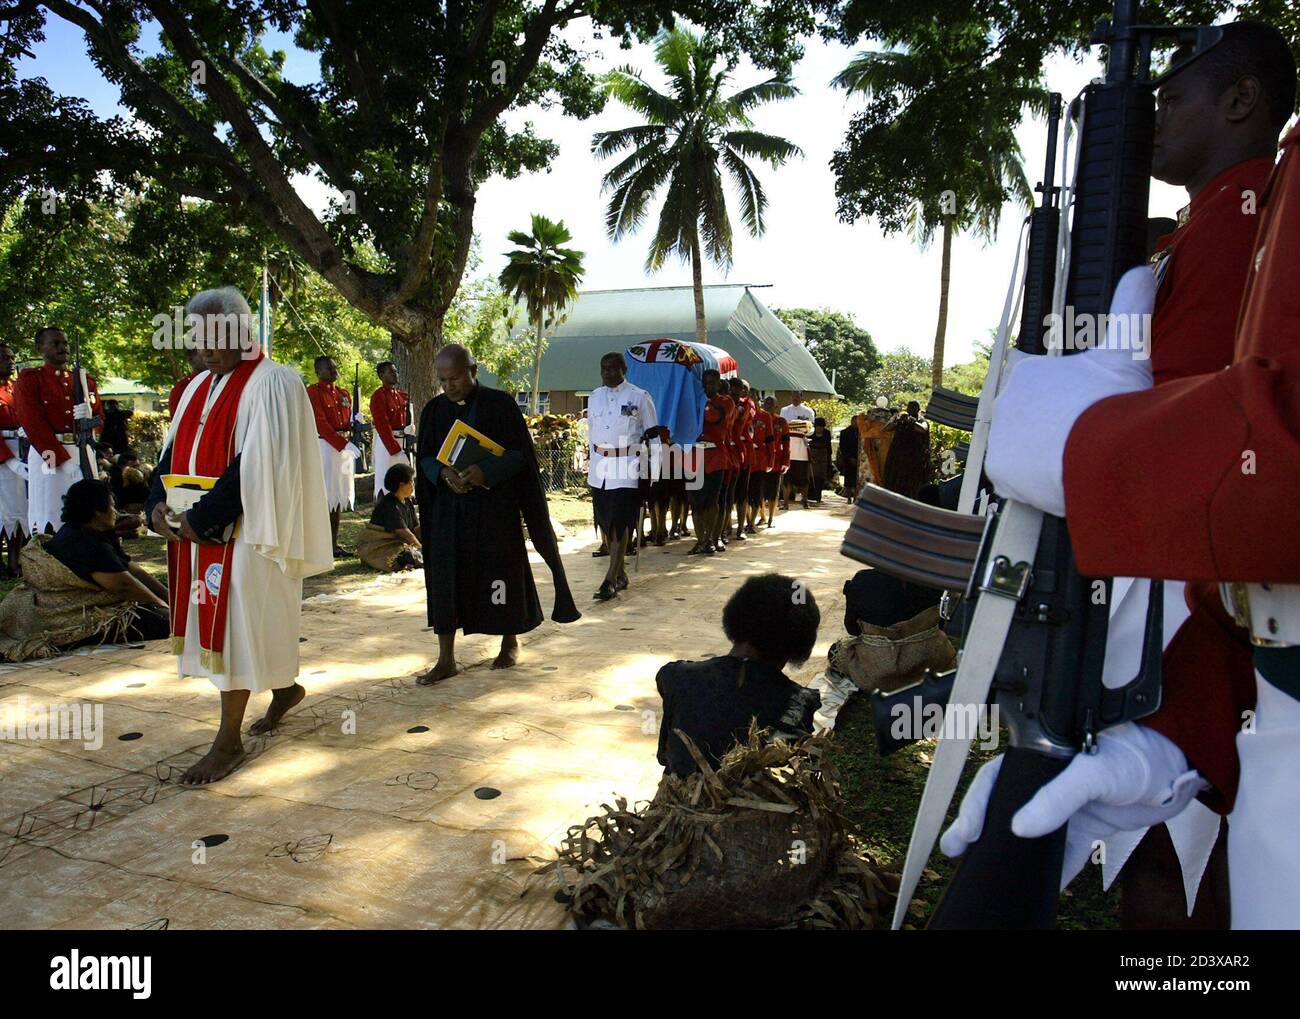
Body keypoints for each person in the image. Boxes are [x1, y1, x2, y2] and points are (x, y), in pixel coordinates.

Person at [950, 50, 1300, 929]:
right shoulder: (1225, 214)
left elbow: (1246, 430)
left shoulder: (1244, 214)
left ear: (1242, 98)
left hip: (1189, 569)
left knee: (1193, 876)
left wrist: (1090, 445)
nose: (1153, 118)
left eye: (1170, 97)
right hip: (1209, 604)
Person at [145, 287, 332, 785]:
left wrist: (203, 518)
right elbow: (170, 458)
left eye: (209, 337)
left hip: (249, 531)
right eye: (195, 336)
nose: (199, 347)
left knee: (237, 627)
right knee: (240, 626)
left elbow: (258, 465)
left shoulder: (275, 382)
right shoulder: (193, 388)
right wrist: (154, 505)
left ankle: (228, 744)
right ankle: (285, 689)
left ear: (239, 330)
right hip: (196, 531)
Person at [415, 344, 579, 682]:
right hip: (450, 511)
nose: (449, 386)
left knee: (499, 575)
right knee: (446, 578)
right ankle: (446, 658)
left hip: (493, 510)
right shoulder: (433, 410)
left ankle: (509, 642)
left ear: (473, 370)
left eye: (456, 378)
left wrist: (485, 472)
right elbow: (426, 458)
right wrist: (442, 474)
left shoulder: (500, 405)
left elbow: (521, 456)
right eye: (443, 380)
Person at [655, 573, 822, 778]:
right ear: (797, 643)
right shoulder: (799, 702)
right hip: (755, 805)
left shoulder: (676, 675)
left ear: (736, 618)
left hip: (680, 803)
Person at [0, 479, 171, 660]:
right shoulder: (82, 542)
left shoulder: (97, 532)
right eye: (112, 506)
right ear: (97, 511)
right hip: (68, 615)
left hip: (93, 601)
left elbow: (131, 569)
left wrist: (170, 598)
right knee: (160, 621)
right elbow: (124, 586)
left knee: (167, 603)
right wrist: (166, 609)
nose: (115, 512)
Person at [14, 326, 101, 535]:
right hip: (49, 453)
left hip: (81, 448)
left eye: (65, 343)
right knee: (50, 510)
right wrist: (61, 461)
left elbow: (100, 420)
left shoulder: (83, 380)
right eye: (55, 343)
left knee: (89, 511)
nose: (62, 347)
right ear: (40, 348)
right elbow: (33, 425)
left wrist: (89, 416)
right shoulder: (31, 379)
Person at [587, 351, 657, 600]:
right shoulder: (594, 397)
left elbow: (653, 435)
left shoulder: (639, 396)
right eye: (603, 368)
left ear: (623, 369)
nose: (607, 372)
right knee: (606, 523)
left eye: (612, 368)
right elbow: (591, 432)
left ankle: (609, 580)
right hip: (599, 468)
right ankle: (621, 574)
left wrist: (654, 470)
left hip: (627, 465)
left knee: (619, 521)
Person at [306, 355, 360, 556]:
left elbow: (346, 421)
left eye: (335, 367)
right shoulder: (313, 392)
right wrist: (342, 443)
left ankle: (333, 544)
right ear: (318, 371)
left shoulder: (343, 393)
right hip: (326, 446)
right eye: (329, 368)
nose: (334, 371)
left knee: (338, 495)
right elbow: (320, 422)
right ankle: (320, 544)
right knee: (325, 494)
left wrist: (355, 425)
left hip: (343, 447)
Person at [686, 369, 730, 556]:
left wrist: (701, 401)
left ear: (718, 384)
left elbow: (712, 417)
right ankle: (700, 540)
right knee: (696, 502)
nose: (707, 387)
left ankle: (711, 539)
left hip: (714, 457)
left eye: (711, 383)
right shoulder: (695, 401)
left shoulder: (725, 402)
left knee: (711, 501)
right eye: (704, 383)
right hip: (694, 457)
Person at [357, 461, 422, 572]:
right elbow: (405, 533)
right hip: (384, 546)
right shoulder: (389, 504)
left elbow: (415, 528)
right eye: (411, 481)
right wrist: (421, 548)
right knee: (405, 557)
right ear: (401, 485)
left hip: (401, 543)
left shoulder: (407, 501)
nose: (413, 485)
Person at [0, 343, 29, 576]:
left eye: (12, 357)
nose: (10, 362)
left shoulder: (15, 389)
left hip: (19, 450)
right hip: (3, 454)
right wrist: (6, 458)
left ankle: (14, 560)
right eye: (3, 358)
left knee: (17, 507)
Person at [370, 361, 412, 500]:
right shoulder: (379, 396)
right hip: (388, 445)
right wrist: (394, 449)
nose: (395, 374)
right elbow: (382, 425)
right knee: (385, 482)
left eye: (396, 371)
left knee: (404, 483)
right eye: (391, 372)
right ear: (381, 375)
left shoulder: (401, 396)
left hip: (403, 442)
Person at [881, 400, 932, 499]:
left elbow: (923, 429)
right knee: (896, 484)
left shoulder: (922, 421)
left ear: (918, 409)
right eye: (909, 407)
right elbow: (886, 429)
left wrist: (912, 421)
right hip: (899, 461)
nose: (911, 410)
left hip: (915, 461)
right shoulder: (902, 421)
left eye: (913, 407)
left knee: (914, 486)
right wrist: (895, 418)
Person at [726, 378, 755, 540]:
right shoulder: (726, 403)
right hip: (728, 451)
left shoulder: (747, 405)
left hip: (742, 452)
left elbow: (741, 418)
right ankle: (727, 525)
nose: (739, 393)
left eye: (743, 390)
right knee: (728, 491)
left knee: (742, 492)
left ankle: (741, 528)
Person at [779, 391, 814, 509]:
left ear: (801, 397)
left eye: (797, 396)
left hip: (801, 447)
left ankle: (805, 500)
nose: (795, 398)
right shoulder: (785, 410)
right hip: (788, 445)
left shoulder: (808, 411)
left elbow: (811, 429)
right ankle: (786, 502)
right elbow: (782, 426)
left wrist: (804, 429)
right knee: (787, 477)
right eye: (793, 396)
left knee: (804, 477)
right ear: (791, 396)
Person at [746, 395, 774, 530]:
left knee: (757, 493)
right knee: (744, 494)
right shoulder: (741, 413)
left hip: (760, 460)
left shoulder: (765, 416)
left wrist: (771, 460)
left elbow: (770, 439)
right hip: (744, 458)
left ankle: (751, 523)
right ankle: (745, 521)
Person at [764, 396, 788, 528]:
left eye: (771, 404)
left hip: (777, 461)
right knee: (760, 491)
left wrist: (786, 461)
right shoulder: (758, 418)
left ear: (776, 406)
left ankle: (771, 518)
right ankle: (761, 516)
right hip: (761, 460)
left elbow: (786, 442)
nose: (768, 406)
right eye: (766, 404)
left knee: (773, 491)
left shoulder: (781, 421)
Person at [807, 417, 834, 505]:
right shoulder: (810, 432)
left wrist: (829, 459)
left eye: (821, 427)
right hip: (812, 456)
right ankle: (810, 496)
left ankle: (818, 496)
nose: (819, 429)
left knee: (821, 477)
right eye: (818, 426)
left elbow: (828, 446)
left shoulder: (827, 433)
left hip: (823, 457)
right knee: (812, 476)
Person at [837, 414, 860, 503]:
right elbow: (843, 447)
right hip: (848, 458)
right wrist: (849, 457)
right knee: (848, 478)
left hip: (858, 458)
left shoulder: (861, 432)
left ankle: (855, 497)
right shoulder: (845, 432)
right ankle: (848, 497)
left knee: (856, 478)